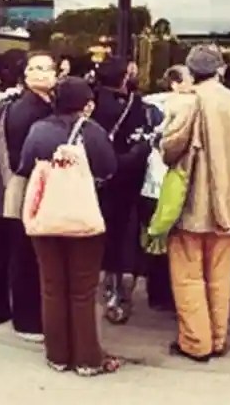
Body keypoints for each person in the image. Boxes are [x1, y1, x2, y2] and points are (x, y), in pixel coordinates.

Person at [16, 77, 121, 375]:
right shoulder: (93, 132)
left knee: (51, 287)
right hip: (83, 218)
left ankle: (57, 355)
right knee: (82, 290)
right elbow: (109, 169)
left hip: (46, 218)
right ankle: (88, 360)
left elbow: (24, 166)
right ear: (84, 103)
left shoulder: (38, 130)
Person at [160, 44, 230, 363]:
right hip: (229, 203)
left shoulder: (188, 103)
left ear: (189, 70)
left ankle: (195, 342)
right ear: (221, 69)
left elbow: (170, 148)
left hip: (192, 202)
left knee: (188, 275)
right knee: (219, 275)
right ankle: (218, 338)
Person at [0, 51, 58, 341]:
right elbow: (23, 155)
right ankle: (26, 320)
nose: (44, 73)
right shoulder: (26, 109)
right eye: (36, 68)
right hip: (27, 183)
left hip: (37, 183)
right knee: (25, 252)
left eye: (48, 68)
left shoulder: (45, 104)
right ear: (26, 75)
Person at [90, 56, 152, 324]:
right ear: (123, 77)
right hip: (126, 180)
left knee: (101, 234)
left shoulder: (90, 102)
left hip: (97, 180)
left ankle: (105, 283)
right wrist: (139, 152)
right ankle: (117, 291)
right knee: (122, 235)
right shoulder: (131, 105)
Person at [138, 64, 193, 311]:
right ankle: (170, 294)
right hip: (168, 179)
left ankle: (157, 294)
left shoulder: (148, 103)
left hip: (152, 182)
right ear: (175, 83)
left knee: (156, 238)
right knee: (173, 239)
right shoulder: (183, 106)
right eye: (189, 78)